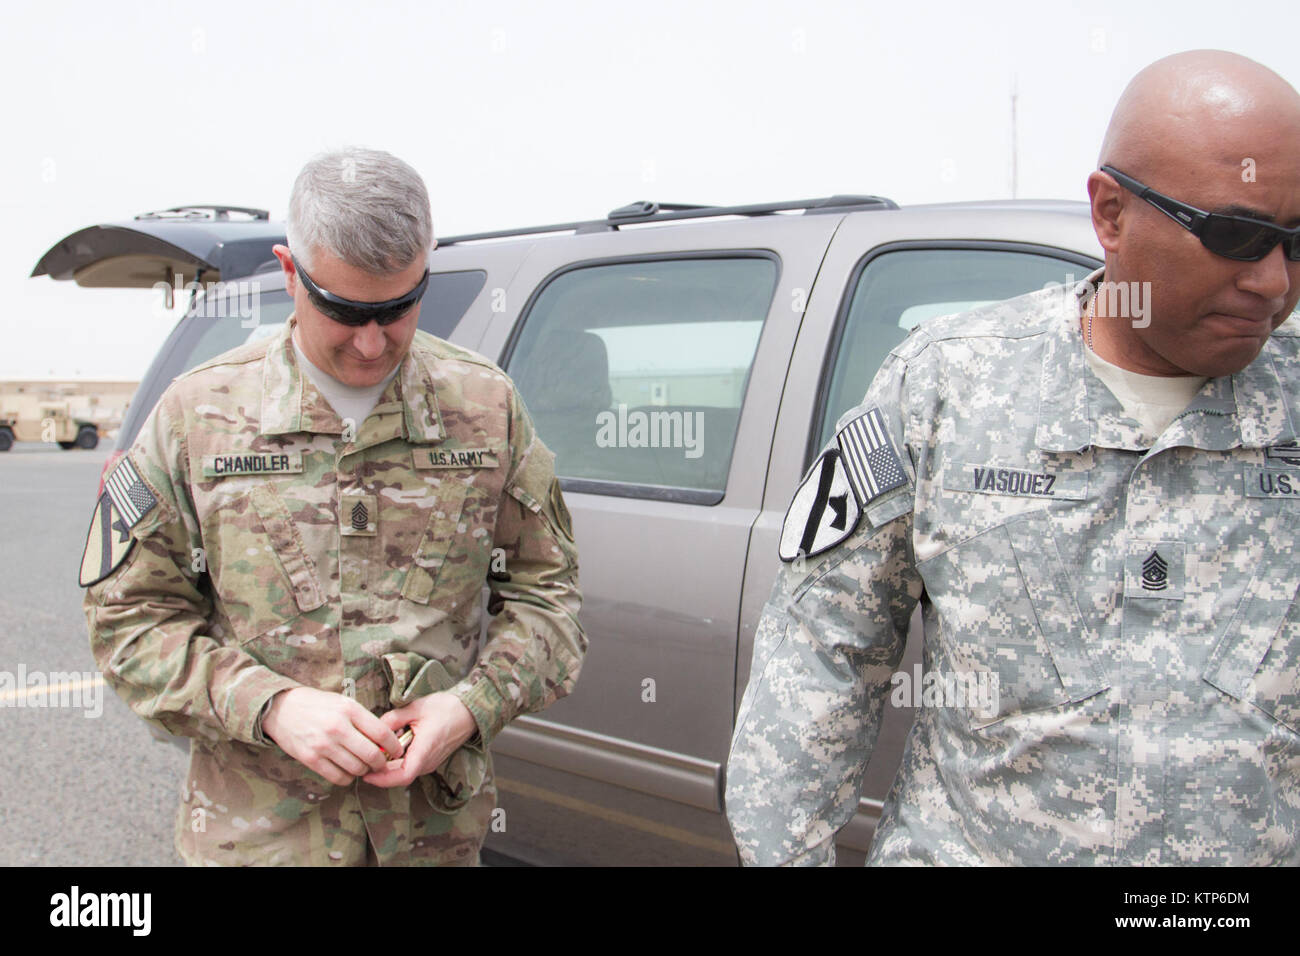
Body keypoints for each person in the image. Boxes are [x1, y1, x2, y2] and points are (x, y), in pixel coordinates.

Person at [725, 50, 1300, 866]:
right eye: (1236, 235)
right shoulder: (946, 389)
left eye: (1298, 242)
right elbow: (819, 663)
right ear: (1110, 213)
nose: (1273, 282)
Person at [80, 147, 586, 866]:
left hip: (432, 843)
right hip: (262, 845)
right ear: (291, 274)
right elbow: (129, 622)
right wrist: (270, 706)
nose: (373, 341)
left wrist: (469, 708)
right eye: (346, 310)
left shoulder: (486, 407)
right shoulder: (199, 416)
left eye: (400, 307)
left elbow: (548, 596)